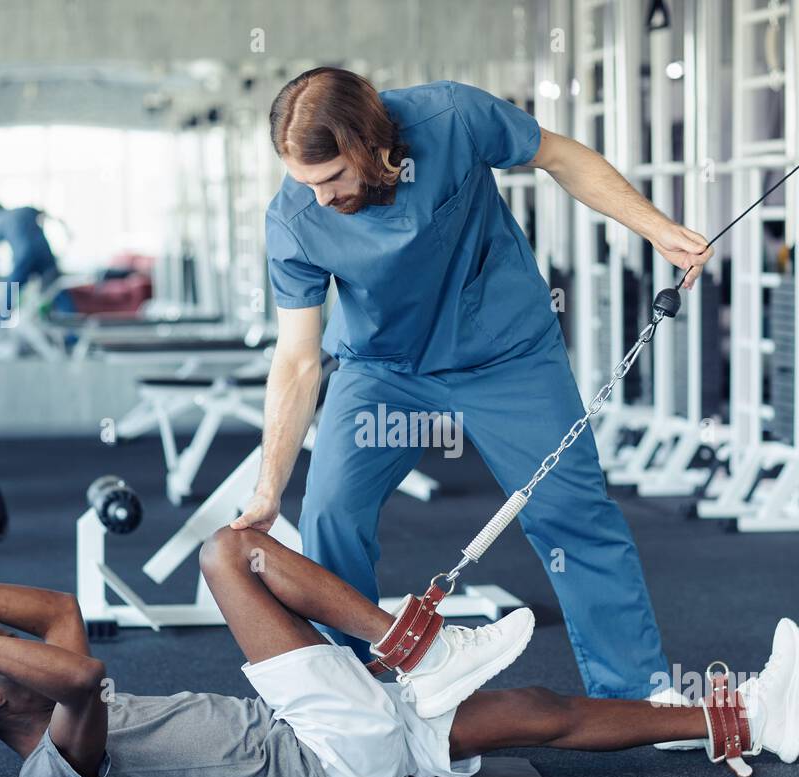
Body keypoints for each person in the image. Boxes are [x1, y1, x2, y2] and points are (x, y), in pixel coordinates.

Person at [239, 68, 713, 710]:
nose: (318, 198)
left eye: (329, 179)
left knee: (573, 515)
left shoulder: (453, 118)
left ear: (369, 146)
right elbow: (297, 360)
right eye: (303, 182)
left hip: (506, 355)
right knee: (330, 517)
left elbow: (562, 156)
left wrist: (654, 227)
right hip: (385, 369)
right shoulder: (295, 219)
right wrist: (269, 490)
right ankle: (352, 701)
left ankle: (638, 701)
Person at [0, 528, 799, 777]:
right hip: (318, 757)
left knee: (537, 710)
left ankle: (749, 720)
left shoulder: (47, 701)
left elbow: (60, 621)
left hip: (344, 733)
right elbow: (77, 670)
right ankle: (419, 646)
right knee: (229, 556)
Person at [0, 203, 74, 314]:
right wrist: (66, 230)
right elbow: (49, 216)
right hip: (44, 252)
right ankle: (69, 318)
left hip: (24, 257)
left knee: (10, 289)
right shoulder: (25, 209)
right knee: (56, 288)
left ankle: (1, 320)